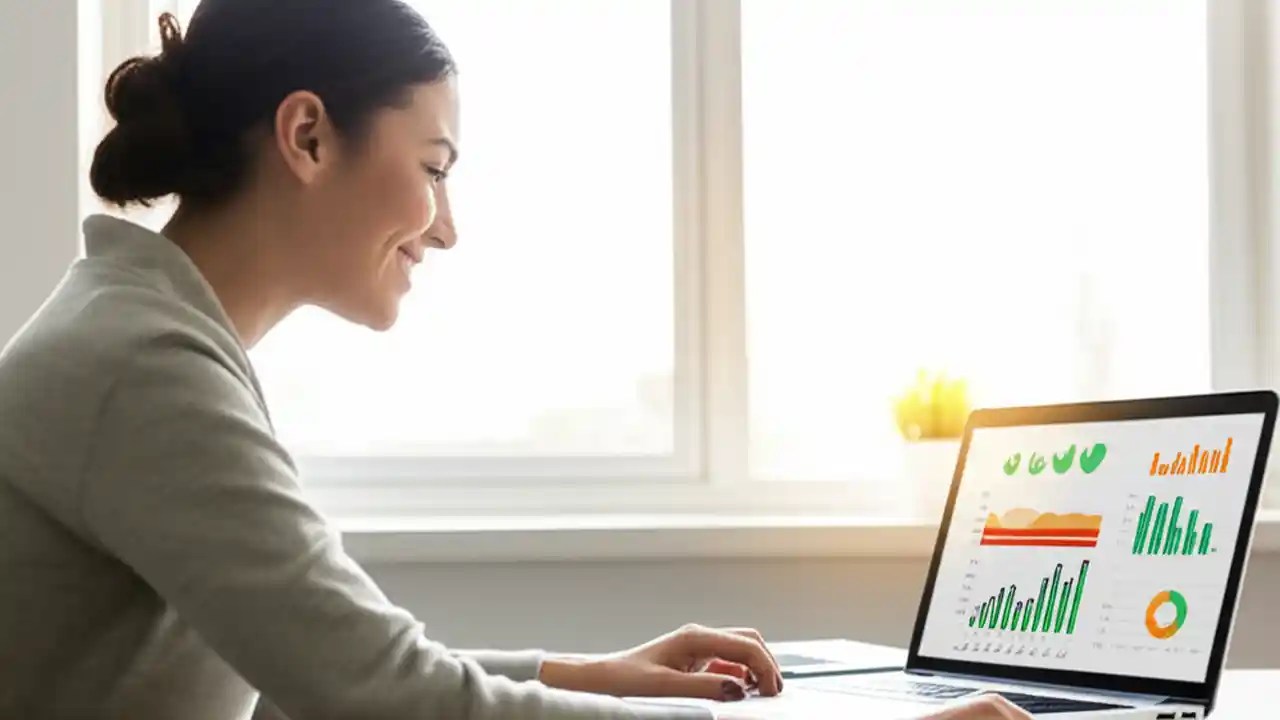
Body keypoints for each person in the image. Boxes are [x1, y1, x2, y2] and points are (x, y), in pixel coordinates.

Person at [0, 1, 1032, 718]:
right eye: (433, 169)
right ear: (307, 136)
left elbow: (294, 673)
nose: (444, 229)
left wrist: (593, 674)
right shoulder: (144, 365)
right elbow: (374, 696)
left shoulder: (145, 332)